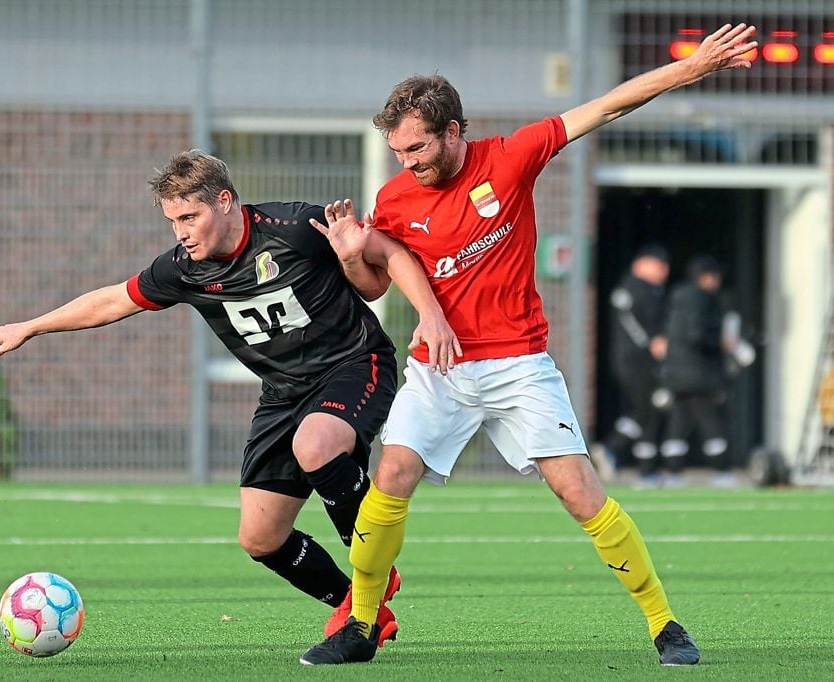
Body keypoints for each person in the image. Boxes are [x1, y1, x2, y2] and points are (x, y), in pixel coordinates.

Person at [299, 22, 758, 667]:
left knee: (580, 494)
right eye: (400, 151)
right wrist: (351, 257)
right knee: (392, 476)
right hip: (441, 370)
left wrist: (688, 68)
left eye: (420, 147)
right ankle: (362, 625)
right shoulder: (395, 198)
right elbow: (376, 285)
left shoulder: (510, 158)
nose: (409, 163)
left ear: (455, 130)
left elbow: (606, 106)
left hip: (518, 366)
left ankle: (665, 624)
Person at [0, 149, 462, 648]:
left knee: (315, 445)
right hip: (282, 394)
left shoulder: (297, 227)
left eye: (190, 217)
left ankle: (374, 569)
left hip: (354, 365)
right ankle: (362, 607)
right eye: (173, 221)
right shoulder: (185, 269)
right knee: (260, 538)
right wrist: (30, 326)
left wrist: (426, 310)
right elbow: (111, 300)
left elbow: (391, 258)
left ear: (225, 201)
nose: (181, 233)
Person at [592, 244, 670, 487]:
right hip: (634, 362)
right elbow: (634, 322)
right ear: (643, 264)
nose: (664, 271)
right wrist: (652, 341)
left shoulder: (646, 290)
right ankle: (644, 471)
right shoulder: (634, 289)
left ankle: (610, 449)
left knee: (640, 412)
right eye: (660, 265)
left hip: (637, 361)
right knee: (647, 410)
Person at [659, 255, 736, 487]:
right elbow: (697, 334)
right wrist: (720, 343)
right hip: (698, 373)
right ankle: (722, 470)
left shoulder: (677, 298)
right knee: (710, 419)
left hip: (677, 373)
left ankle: (672, 471)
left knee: (679, 421)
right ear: (706, 277)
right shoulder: (701, 300)